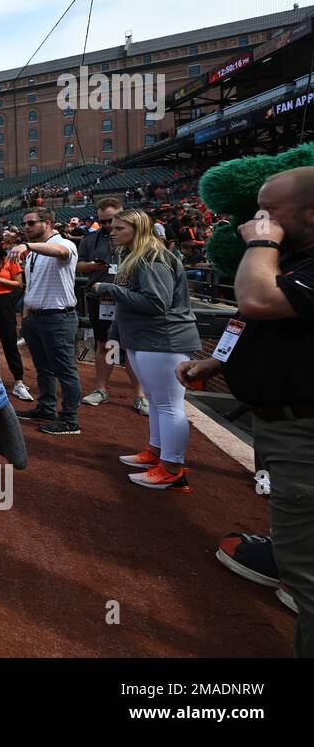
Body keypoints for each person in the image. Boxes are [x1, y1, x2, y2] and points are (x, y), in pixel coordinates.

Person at [178, 165, 314, 657]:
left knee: (308, 579)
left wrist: (260, 243)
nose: (255, 220)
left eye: (269, 210)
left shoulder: (280, 256)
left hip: (304, 427)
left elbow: (256, 299)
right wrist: (216, 360)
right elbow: (250, 320)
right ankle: (286, 556)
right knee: (293, 523)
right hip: (280, 423)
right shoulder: (293, 257)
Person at [93, 209, 201, 491]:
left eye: (118, 228)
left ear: (138, 229)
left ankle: (172, 468)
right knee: (155, 400)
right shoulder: (135, 255)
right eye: (111, 227)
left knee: (168, 404)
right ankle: (157, 453)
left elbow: (156, 303)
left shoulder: (152, 257)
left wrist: (108, 288)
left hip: (164, 339)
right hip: (144, 339)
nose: (111, 232)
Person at [11, 209, 82, 435]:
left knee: (65, 370)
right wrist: (26, 320)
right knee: (43, 369)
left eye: (31, 223)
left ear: (47, 223)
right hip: (36, 318)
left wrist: (28, 246)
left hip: (59, 317)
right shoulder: (33, 253)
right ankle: (46, 408)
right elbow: (31, 288)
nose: (26, 227)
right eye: (24, 224)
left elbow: (60, 252)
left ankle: (70, 420)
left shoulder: (63, 243)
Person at [77, 198, 149, 414]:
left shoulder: (136, 242)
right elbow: (79, 265)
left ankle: (140, 395)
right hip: (100, 299)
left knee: (131, 347)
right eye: (103, 221)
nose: (107, 226)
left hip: (129, 299)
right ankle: (101, 389)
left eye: (111, 221)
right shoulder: (90, 240)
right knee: (106, 344)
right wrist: (92, 265)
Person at [0, 233, 32, 400]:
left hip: (4, 299)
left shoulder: (9, 260)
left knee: (9, 339)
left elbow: (19, 284)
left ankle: (19, 381)